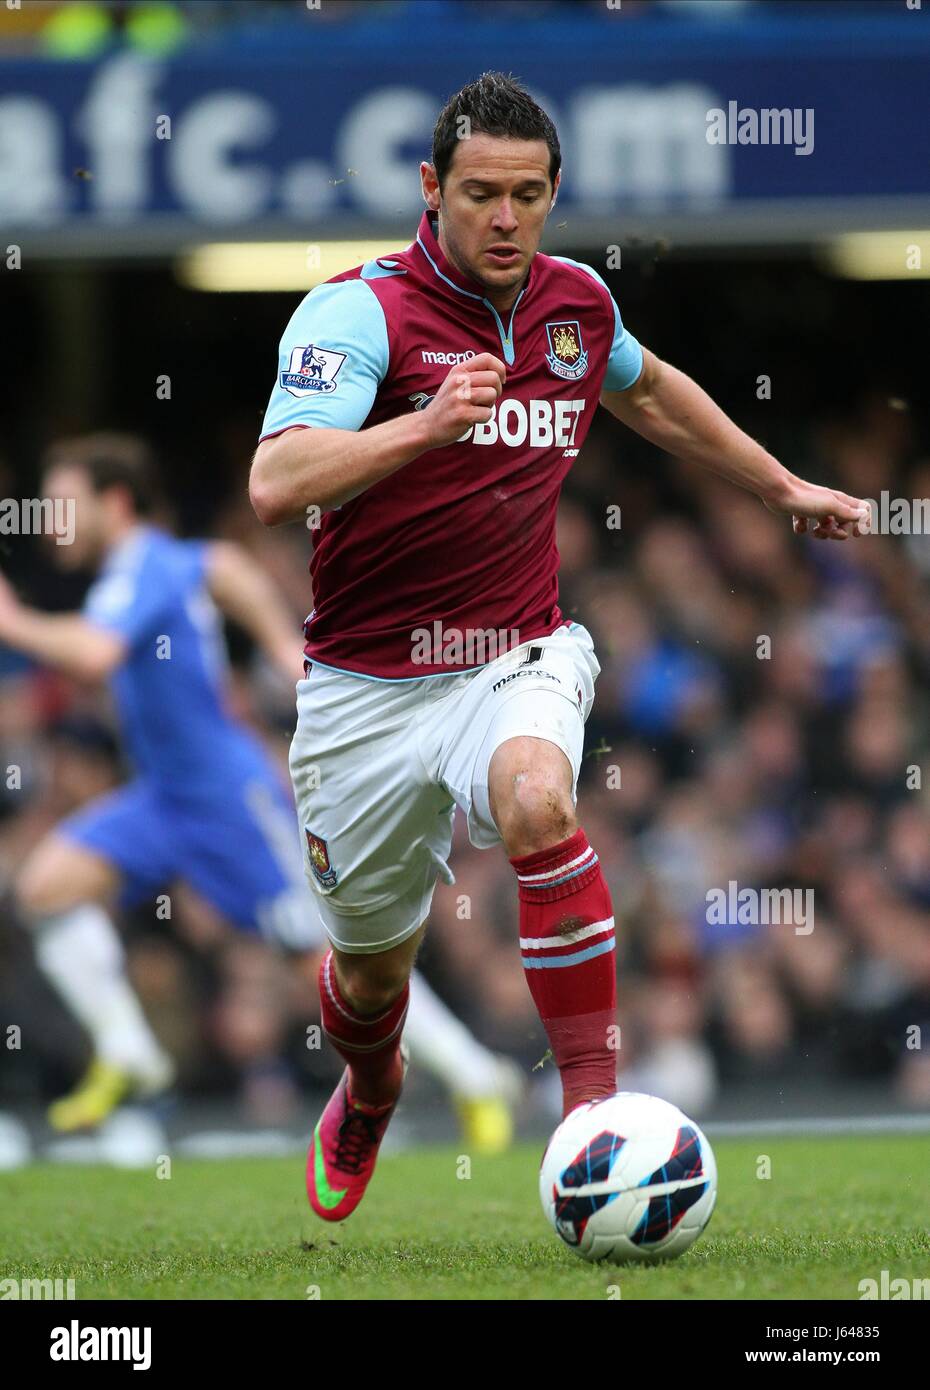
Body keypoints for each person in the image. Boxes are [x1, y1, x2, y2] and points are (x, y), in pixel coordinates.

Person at [250, 71, 870, 1223]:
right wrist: (427, 423)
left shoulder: (576, 306)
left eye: (528, 195)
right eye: (480, 192)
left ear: (552, 196)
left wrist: (780, 483)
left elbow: (653, 394)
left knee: (539, 801)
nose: (504, 218)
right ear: (431, 188)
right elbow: (275, 481)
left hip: (515, 650)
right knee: (370, 975)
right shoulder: (359, 311)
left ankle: (594, 1107)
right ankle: (375, 1084)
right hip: (364, 692)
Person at [0, 433, 520, 1148]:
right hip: (162, 797)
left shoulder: (143, 562)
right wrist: (280, 643)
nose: (52, 521)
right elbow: (222, 565)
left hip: (225, 798)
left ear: (114, 503)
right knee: (43, 890)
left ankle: (474, 1074)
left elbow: (95, 654)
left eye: (63, 504)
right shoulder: (169, 566)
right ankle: (128, 1049)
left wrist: (12, 621)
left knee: (325, 958)